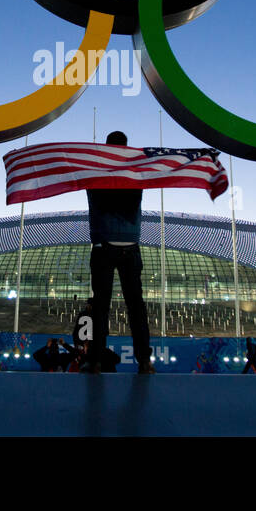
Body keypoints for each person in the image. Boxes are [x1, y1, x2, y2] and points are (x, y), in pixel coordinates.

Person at [85, 131, 155, 374]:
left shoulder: (94, 169)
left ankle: (94, 361)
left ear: (107, 146)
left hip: (103, 244)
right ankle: (144, 362)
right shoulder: (136, 170)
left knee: (101, 306)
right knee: (136, 305)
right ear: (126, 146)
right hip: (130, 246)